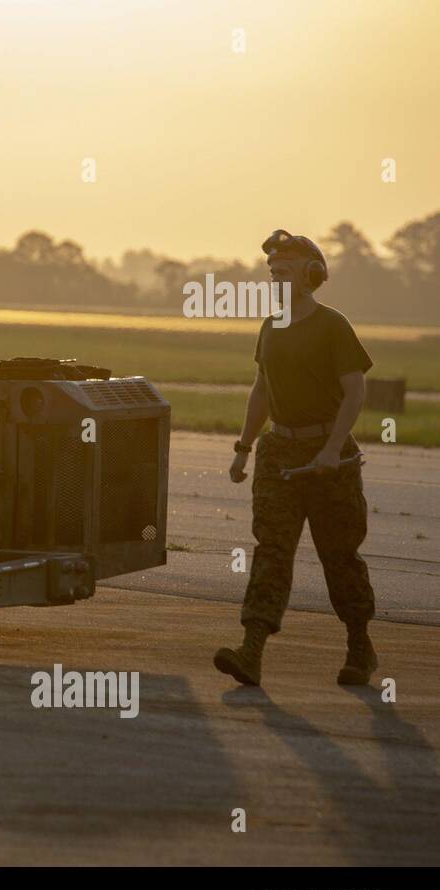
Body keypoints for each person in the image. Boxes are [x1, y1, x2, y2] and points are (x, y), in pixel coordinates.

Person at [214, 229, 377, 687]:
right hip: (279, 453)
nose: (275, 279)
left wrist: (329, 450)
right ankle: (252, 651)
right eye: (272, 272)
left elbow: (354, 391)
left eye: (284, 272)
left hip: (330, 457)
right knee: (272, 550)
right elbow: (262, 389)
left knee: (340, 554)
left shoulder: (333, 325)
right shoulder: (270, 326)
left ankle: (360, 647)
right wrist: (244, 448)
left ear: (311, 276)